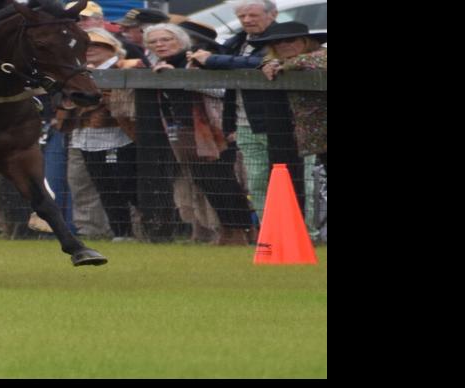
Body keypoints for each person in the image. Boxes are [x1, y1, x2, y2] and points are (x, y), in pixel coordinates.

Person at [186, 0, 303, 223]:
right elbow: (227, 64)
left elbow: (257, 61)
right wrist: (201, 59)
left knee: (295, 178)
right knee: (256, 181)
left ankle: (304, 231)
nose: (247, 20)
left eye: (253, 15)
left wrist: (212, 60)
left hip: (285, 123)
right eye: (242, 17)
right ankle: (267, 231)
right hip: (245, 122)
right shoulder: (236, 41)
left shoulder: (285, 39)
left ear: (273, 14)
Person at [138, 22, 253, 245]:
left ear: (180, 40)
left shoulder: (198, 59)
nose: (160, 45)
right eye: (153, 42)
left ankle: (241, 230)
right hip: (183, 130)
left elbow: (223, 90)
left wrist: (181, 78)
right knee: (204, 180)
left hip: (215, 129)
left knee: (223, 180)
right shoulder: (159, 64)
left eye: (166, 39)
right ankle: (227, 230)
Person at [54, 29, 138, 242]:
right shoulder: (77, 71)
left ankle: (142, 230)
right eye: (87, 46)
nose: (91, 50)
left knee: (126, 184)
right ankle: (118, 232)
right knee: (103, 185)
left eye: (98, 45)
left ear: (112, 48)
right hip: (84, 134)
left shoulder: (126, 66)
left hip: (121, 133)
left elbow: (125, 103)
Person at [255, 21, 325, 240]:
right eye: (277, 42)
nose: (284, 45)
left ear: (305, 41)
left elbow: (319, 60)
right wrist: (271, 63)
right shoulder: (276, 62)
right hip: (318, 136)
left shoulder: (318, 56)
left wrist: (284, 64)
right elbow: (266, 61)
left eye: (290, 40)